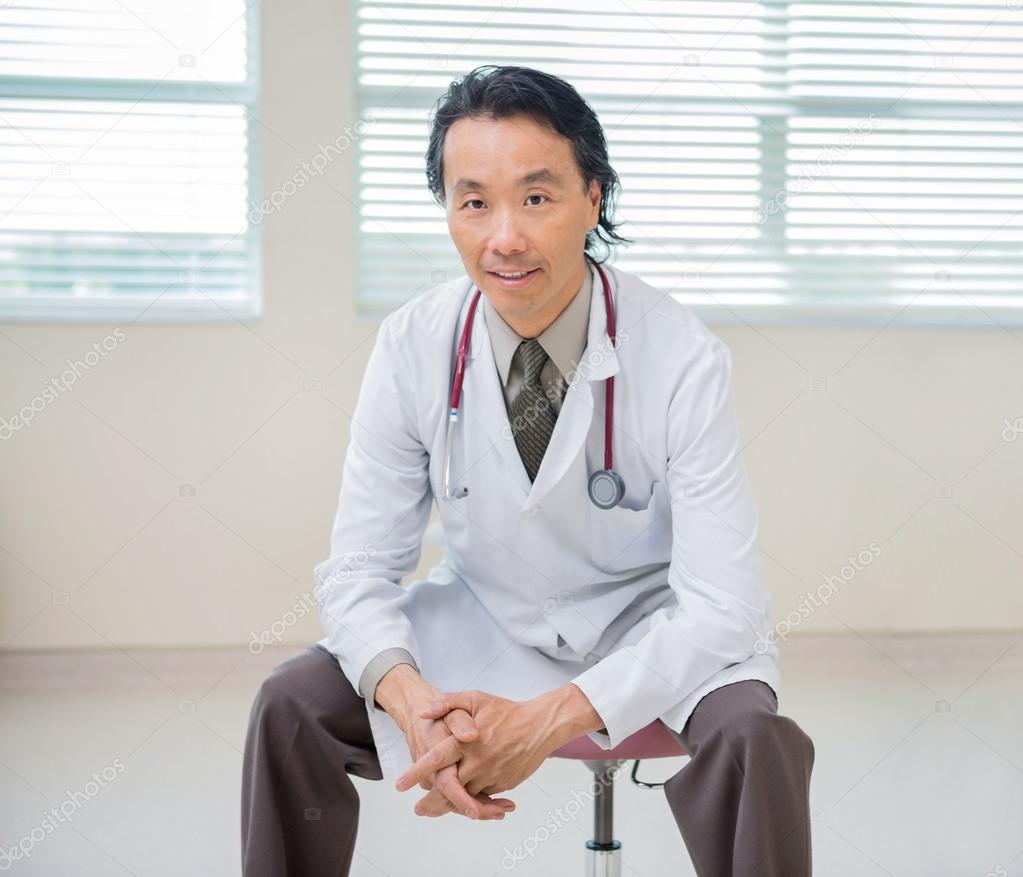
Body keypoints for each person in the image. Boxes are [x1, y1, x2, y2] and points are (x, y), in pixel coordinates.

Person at [241, 64, 815, 877]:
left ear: (593, 196)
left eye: (536, 198)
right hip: (485, 618)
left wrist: (547, 719)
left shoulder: (681, 355)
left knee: (755, 737)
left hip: (648, 626)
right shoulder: (413, 347)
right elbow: (360, 568)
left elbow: (723, 604)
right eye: (473, 200)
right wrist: (410, 698)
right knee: (291, 703)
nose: (503, 236)